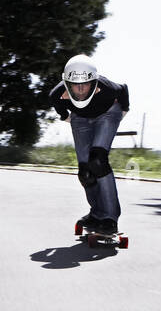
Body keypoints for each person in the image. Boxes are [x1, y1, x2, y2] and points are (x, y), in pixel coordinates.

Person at [50, 55, 130, 235]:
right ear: (67, 85)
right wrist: (74, 119)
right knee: (85, 172)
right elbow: (63, 112)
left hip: (109, 112)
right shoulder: (57, 94)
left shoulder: (107, 88)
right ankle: (96, 213)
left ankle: (109, 218)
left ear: (94, 84)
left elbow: (123, 91)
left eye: (85, 85)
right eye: (74, 85)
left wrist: (119, 115)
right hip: (80, 119)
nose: (79, 90)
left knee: (98, 162)